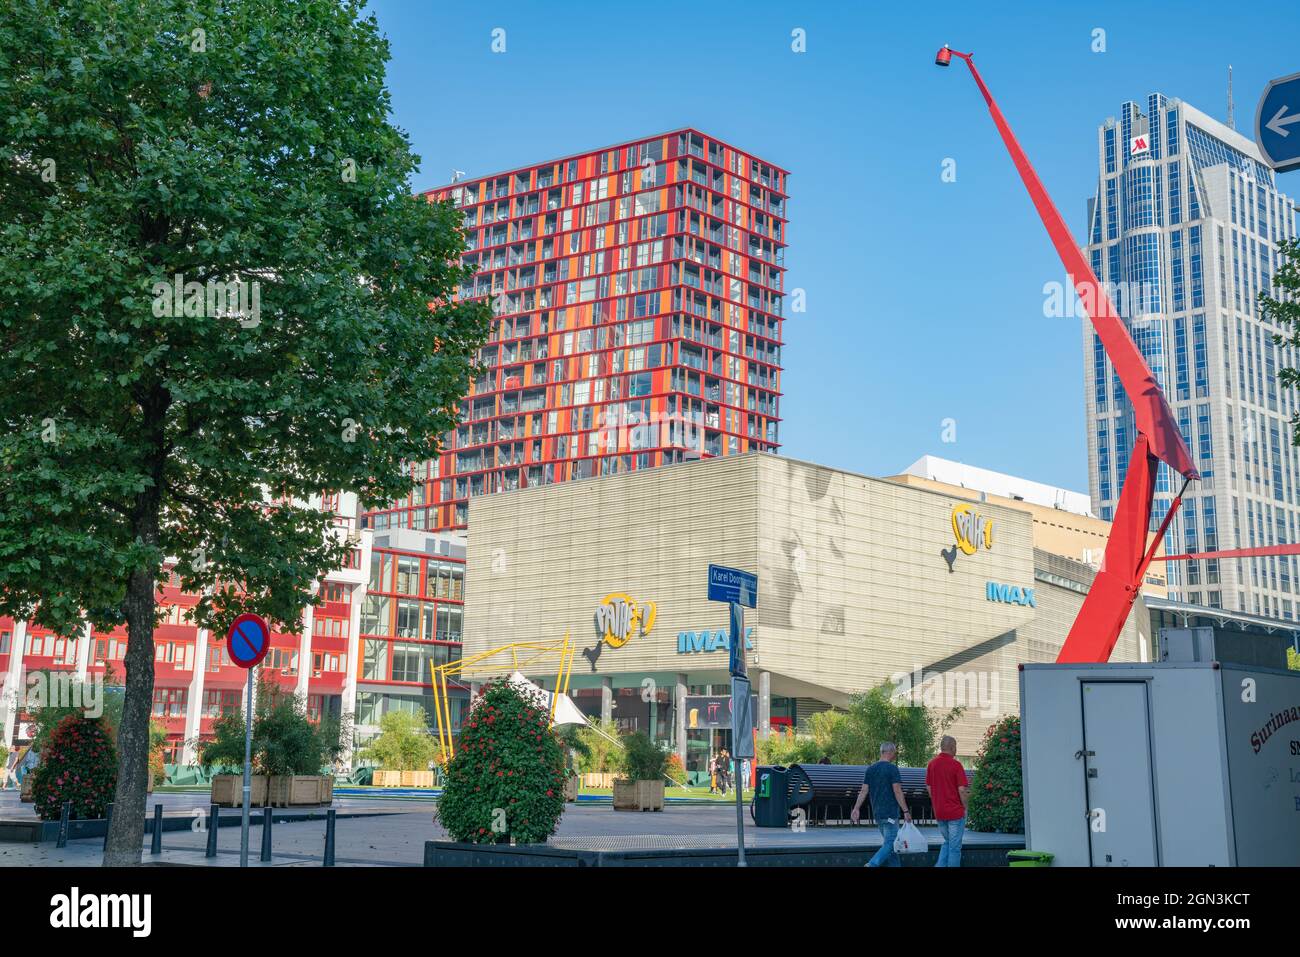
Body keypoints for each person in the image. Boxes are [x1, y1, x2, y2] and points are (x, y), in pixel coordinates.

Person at [850, 742, 911, 867]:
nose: (895, 755)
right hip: (890, 814)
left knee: (892, 848)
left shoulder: (871, 769)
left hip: (877, 813)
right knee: (891, 842)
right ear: (890, 752)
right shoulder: (892, 769)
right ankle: (872, 864)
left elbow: (863, 791)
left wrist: (856, 808)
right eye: (894, 753)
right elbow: (897, 791)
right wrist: (906, 811)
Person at [925, 735, 970, 867]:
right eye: (955, 746)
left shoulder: (932, 764)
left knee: (949, 842)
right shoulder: (956, 765)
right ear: (952, 747)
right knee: (955, 847)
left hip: (939, 812)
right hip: (955, 812)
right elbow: (962, 790)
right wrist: (965, 807)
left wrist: (937, 800)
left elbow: (928, 787)